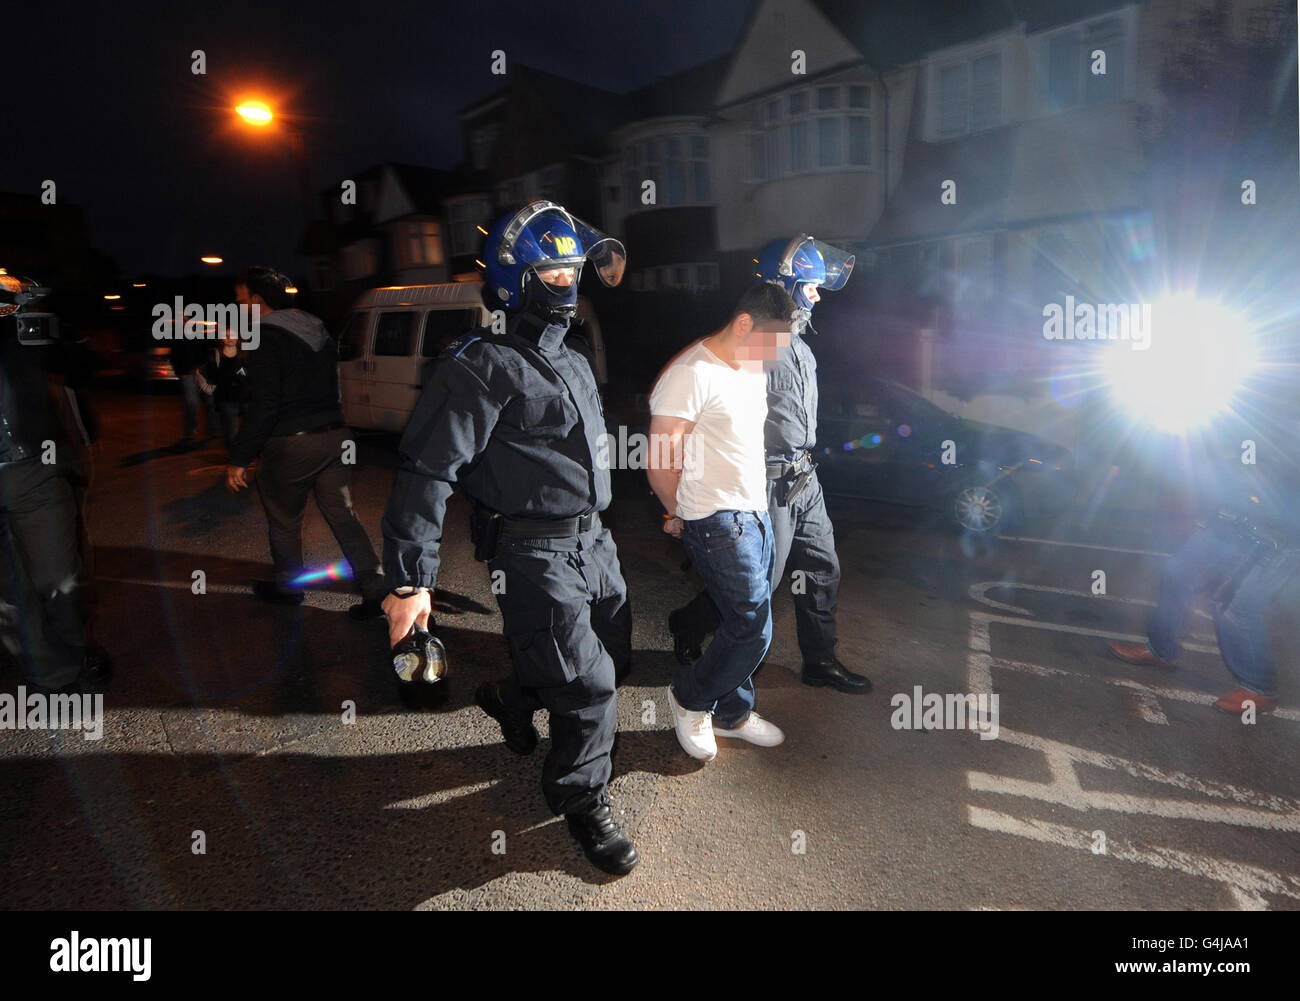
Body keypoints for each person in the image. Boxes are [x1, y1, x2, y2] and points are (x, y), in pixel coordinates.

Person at [380, 201, 638, 875]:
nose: (570, 284)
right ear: (515, 278)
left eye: (574, 269)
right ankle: (581, 798)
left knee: (611, 649)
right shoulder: (478, 364)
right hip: (531, 553)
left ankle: (514, 695)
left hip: (596, 543)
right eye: (553, 271)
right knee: (589, 685)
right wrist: (410, 581)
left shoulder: (574, 358)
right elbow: (427, 471)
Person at [668, 236, 871, 694]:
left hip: (806, 478)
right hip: (768, 481)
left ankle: (820, 661)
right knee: (758, 585)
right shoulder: (754, 346)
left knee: (822, 568)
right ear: (786, 286)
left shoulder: (801, 344)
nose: (817, 296)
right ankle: (691, 626)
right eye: (810, 287)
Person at [647, 280, 796, 762]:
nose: (775, 356)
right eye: (773, 342)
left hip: (756, 510)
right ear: (744, 323)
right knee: (753, 625)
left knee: (747, 617)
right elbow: (660, 458)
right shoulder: (691, 372)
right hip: (714, 518)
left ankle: (732, 712)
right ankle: (691, 696)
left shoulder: (750, 368)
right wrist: (677, 512)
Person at [224, 267, 387, 617]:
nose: (239, 308)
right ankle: (376, 588)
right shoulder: (315, 326)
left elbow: (263, 405)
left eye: (241, 301)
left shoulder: (264, 336)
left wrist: (241, 456)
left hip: (292, 441)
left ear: (256, 300)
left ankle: (288, 587)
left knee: (284, 519)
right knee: (343, 515)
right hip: (334, 434)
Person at [1108, 436, 1300, 714]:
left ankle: (1259, 688)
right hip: (1234, 517)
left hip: (1282, 537)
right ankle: (1161, 650)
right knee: (1178, 571)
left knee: (1234, 607)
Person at [0, 272, 109, 694]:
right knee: (9, 593)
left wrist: (35, 310)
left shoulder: (17, 320)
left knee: (59, 575)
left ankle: (76, 651)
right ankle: (52, 673)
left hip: (32, 469)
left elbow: (80, 364)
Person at [200, 326, 247, 448]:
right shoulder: (214, 354)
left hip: (245, 396)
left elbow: (251, 374)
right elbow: (211, 376)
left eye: (232, 335)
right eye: (226, 335)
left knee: (249, 426)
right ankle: (234, 453)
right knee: (231, 429)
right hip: (226, 397)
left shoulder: (245, 353)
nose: (229, 338)